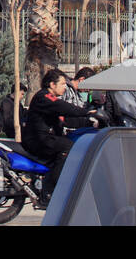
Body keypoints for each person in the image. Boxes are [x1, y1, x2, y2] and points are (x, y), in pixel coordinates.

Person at [23, 68, 99, 202]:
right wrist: (86, 112)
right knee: (68, 147)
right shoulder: (44, 97)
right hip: (37, 139)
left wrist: (90, 122)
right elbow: (64, 107)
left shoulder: (50, 101)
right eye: (63, 84)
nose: (65, 87)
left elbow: (66, 120)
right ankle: (50, 190)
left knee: (68, 141)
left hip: (46, 138)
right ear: (52, 84)